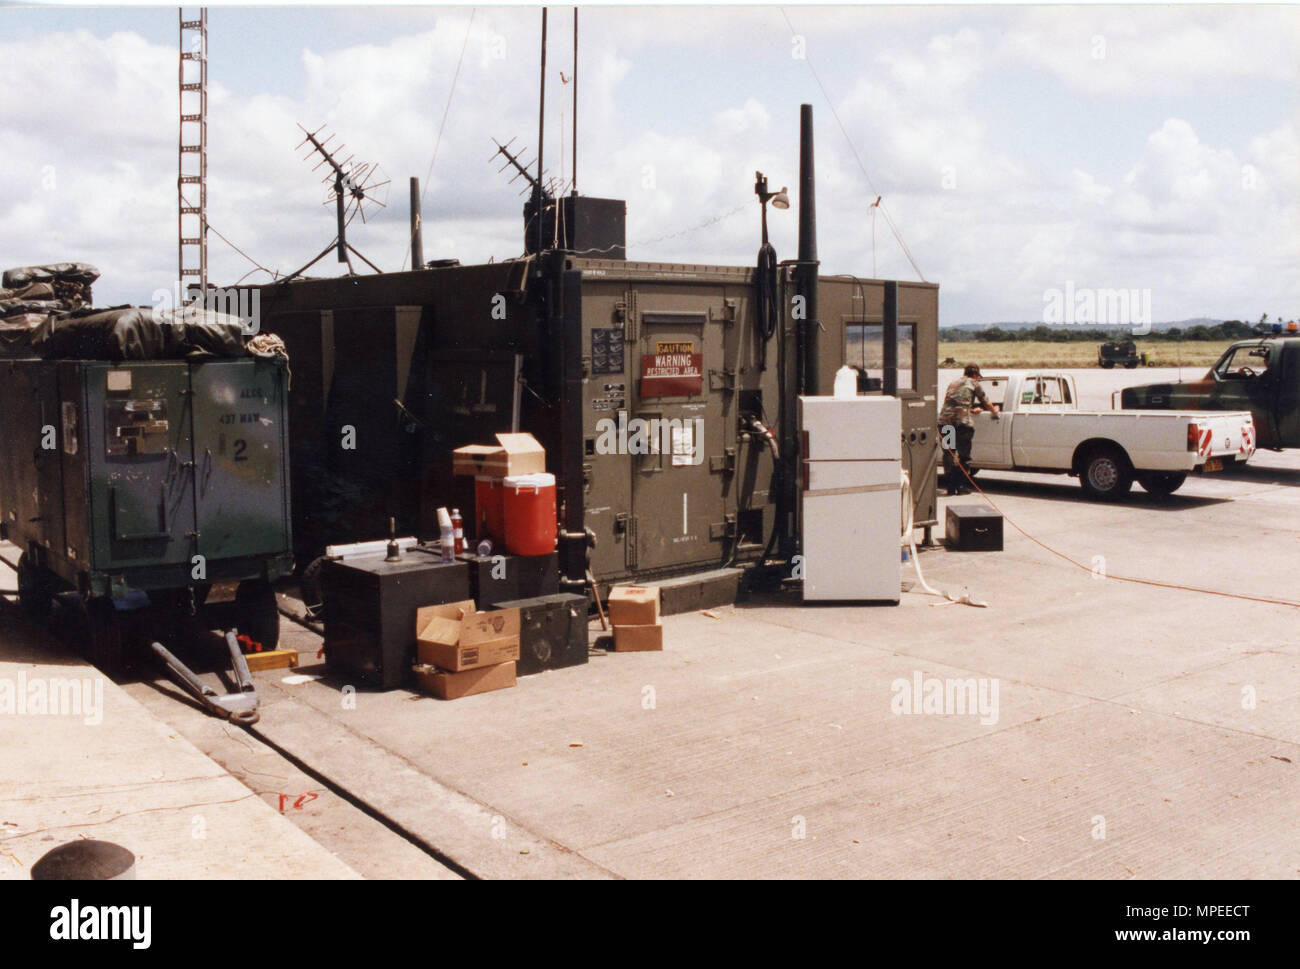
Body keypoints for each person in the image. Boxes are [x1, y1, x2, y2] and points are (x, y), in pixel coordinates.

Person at [939, 364, 999, 495]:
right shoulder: (974, 383)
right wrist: (995, 411)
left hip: (945, 423)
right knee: (964, 456)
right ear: (976, 375)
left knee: (948, 454)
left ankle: (949, 486)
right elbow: (985, 401)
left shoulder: (953, 383)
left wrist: (971, 409)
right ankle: (960, 486)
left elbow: (953, 403)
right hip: (962, 424)